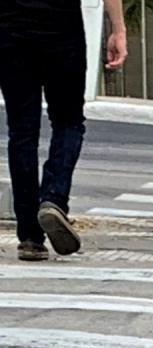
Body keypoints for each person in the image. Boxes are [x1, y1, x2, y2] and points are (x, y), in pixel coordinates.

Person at [0, 0, 127, 261]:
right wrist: (118, 29)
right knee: (68, 122)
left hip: (9, 27)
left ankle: (30, 238)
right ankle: (54, 199)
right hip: (61, 28)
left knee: (22, 131)